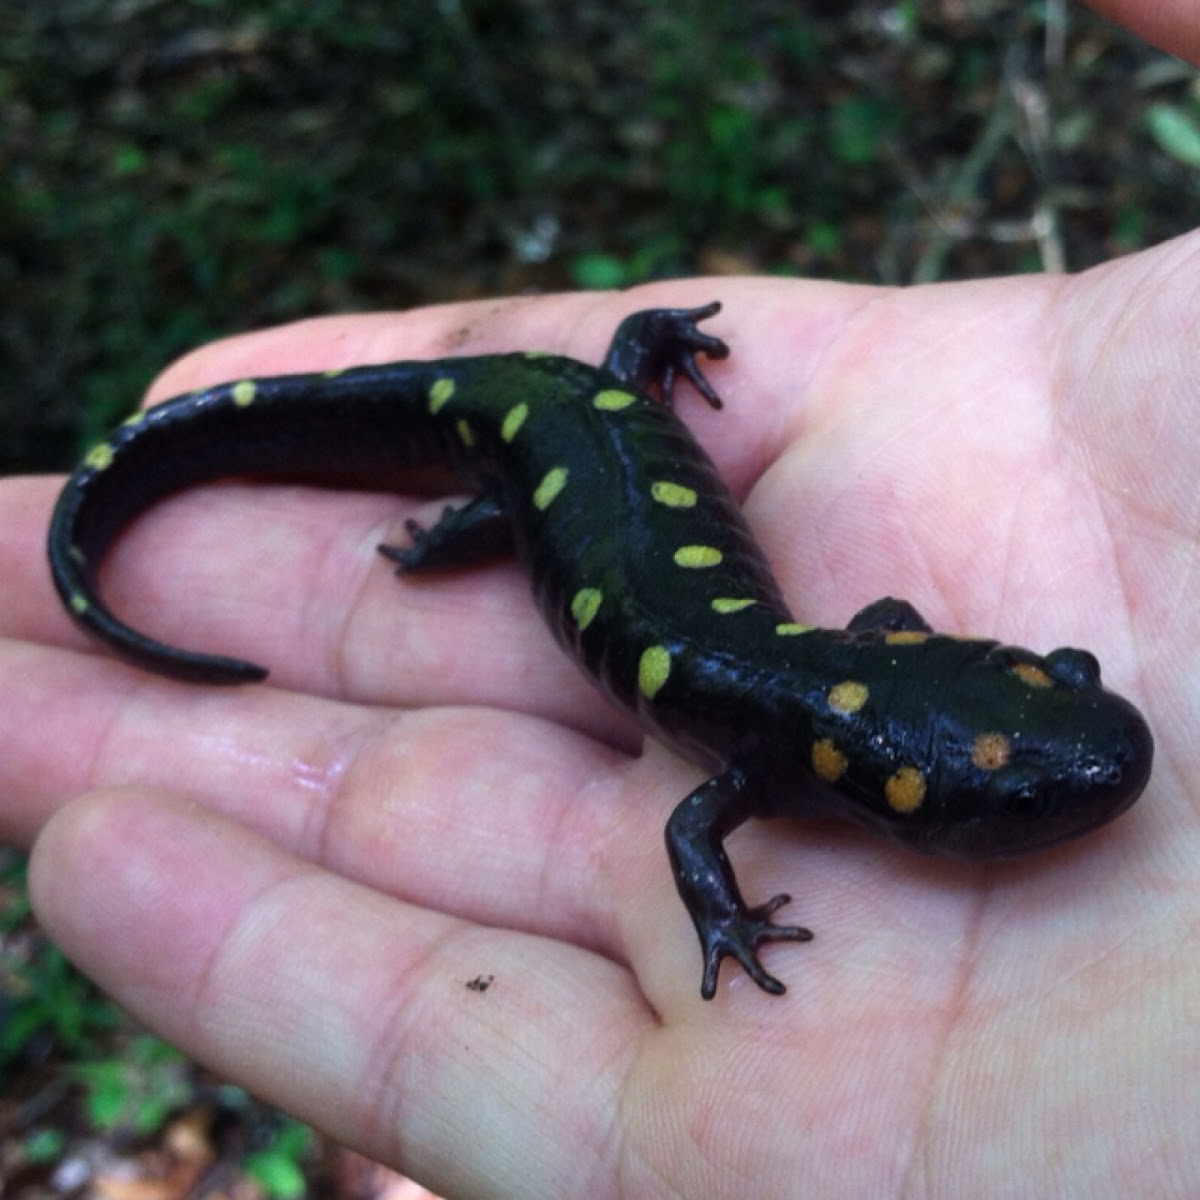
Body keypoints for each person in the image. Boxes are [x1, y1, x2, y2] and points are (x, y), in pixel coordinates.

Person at [2, 4, 1196, 1195]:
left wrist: (733, 905)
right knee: (514, 475)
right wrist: (720, 916)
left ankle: (554, 438)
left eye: (1042, 726)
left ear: (890, 790)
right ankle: (477, 475)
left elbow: (846, 674)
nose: (1075, 765)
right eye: (1022, 781)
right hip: (551, 426)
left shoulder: (812, 719)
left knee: (549, 471)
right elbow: (720, 805)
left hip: (582, 426)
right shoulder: (784, 754)